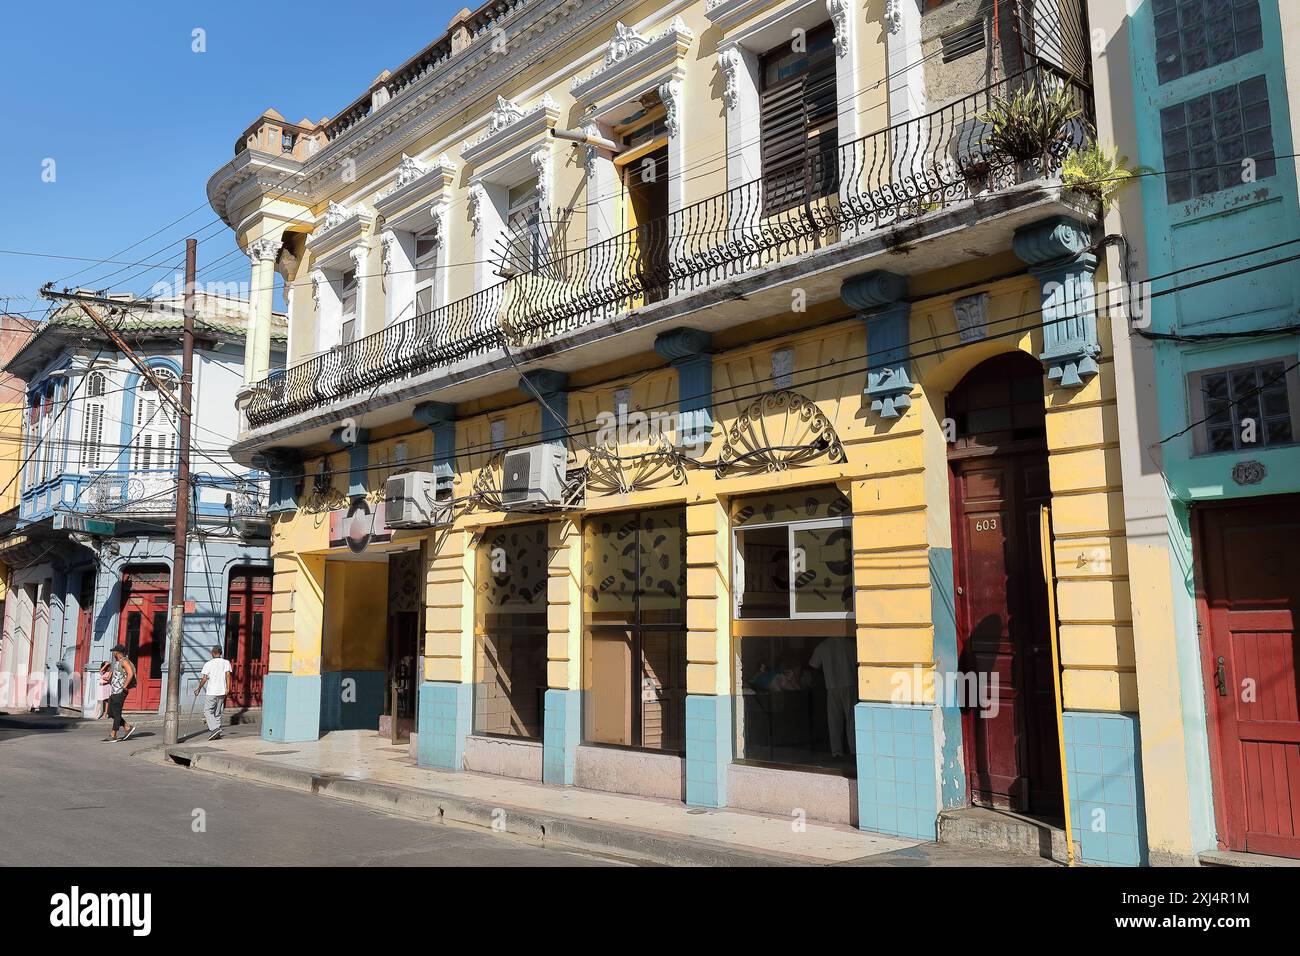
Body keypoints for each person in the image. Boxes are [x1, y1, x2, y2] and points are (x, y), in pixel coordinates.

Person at [809, 636, 856, 759]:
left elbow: (813, 664)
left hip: (831, 686)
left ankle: (836, 751)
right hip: (850, 683)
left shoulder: (823, 645)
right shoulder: (851, 643)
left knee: (834, 721)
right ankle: (854, 750)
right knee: (851, 719)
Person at [195, 645, 233, 741]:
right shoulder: (226, 662)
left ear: (212, 653)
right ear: (220, 653)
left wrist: (199, 688)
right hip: (222, 691)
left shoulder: (208, 664)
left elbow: (204, 678)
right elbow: (228, 675)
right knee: (217, 712)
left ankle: (215, 729)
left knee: (207, 711)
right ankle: (217, 733)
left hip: (212, 691)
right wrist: (228, 688)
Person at [103, 644, 136, 742]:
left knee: (117, 713)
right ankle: (127, 727)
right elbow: (113, 676)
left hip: (120, 691)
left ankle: (113, 735)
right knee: (111, 713)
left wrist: (124, 686)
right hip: (114, 691)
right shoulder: (116, 662)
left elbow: (130, 673)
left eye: (114, 652)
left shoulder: (124, 661)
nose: (113, 653)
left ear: (117, 652)